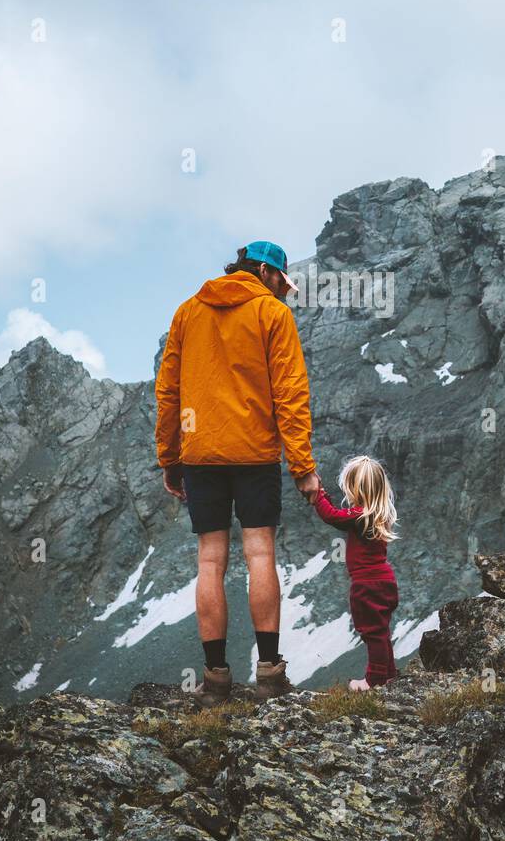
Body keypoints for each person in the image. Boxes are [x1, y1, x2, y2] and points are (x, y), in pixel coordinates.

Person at [155, 240, 320, 705]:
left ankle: (216, 680)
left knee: (210, 560)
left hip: (201, 456)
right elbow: (291, 394)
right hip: (254, 453)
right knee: (260, 554)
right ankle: (269, 673)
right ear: (267, 273)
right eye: (282, 283)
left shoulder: (188, 312)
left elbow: (168, 391)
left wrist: (170, 458)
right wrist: (302, 467)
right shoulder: (272, 314)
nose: (284, 293)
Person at [312, 455, 399, 690]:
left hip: (367, 584)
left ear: (356, 489)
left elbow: (331, 516)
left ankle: (375, 679)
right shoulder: (378, 515)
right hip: (383, 581)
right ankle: (389, 674)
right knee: (381, 631)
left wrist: (318, 494)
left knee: (373, 633)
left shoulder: (361, 516)